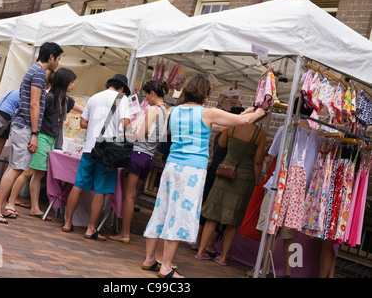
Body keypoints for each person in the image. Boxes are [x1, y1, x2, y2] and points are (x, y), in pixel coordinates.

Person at [142, 74, 266, 278]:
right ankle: (165, 267)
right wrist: (261, 110)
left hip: (172, 166)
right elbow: (242, 121)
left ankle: (149, 260)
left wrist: (248, 111)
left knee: (162, 211)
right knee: (178, 215)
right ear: (204, 94)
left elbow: (221, 126)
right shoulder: (207, 113)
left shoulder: (174, 111)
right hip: (191, 170)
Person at [0, 42, 63, 224]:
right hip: (26, 126)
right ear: (51, 57)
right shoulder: (38, 74)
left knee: (15, 167)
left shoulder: (34, 71)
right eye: (58, 59)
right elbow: (34, 104)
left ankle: (1, 206)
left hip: (22, 125)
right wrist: (35, 133)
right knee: (17, 168)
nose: (58, 63)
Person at [6, 68, 84, 218]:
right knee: (27, 172)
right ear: (65, 82)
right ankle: (10, 202)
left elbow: (82, 110)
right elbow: (35, 114)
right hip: (41, 138)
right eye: (72, 82)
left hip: (51, 141)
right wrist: (33, 136)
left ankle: (34, 207)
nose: (73, 85)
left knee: (38, 174)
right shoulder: (49, 98)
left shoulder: (66, 100)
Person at [195, 103, 266, 265]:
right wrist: (256, 182)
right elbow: (257, 161)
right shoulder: (259, 134)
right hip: (244, 177)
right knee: (233, 220)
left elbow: (221, 144)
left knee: (213, 214)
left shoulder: (232, 126)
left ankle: (200, 251)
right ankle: (223, 257)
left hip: (224, 171)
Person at [62, 74, 131, 239]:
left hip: (89, 148)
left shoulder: (94, 97)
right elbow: (125, 124)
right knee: (100, 191)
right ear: (122, 88)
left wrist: (96, 125)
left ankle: (67, 223)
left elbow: (83, 123)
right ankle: (91, 229)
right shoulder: (122, 98)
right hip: (109, 151)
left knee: (78, 184)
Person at [255, 97, 319, 278]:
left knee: (270, 231)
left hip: (278, 185)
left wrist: (265, 174)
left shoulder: (285, 129)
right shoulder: (314, 136)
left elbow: (270, 157)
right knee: (289, 235)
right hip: (298, 192)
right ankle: (288, 272)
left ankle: (264, 269)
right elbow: (313, 165)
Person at [109, 80, 169, 244]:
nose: (145, 100)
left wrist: (127, 132)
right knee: (132, 195)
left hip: (138, 154)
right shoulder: (166, 111)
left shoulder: (153, 109)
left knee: (128, 195)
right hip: (149, 158)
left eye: (146, 96)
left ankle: (124, 233)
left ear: (153, 94)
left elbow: (139, 135)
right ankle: (123, 230)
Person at [191, 107, 245, 256]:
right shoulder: (232, 132)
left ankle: (197, 241)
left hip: (212, 170)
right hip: (223, 175)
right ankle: (208, 244)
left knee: (206, 206)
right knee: (216, 211)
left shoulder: (221, 131)